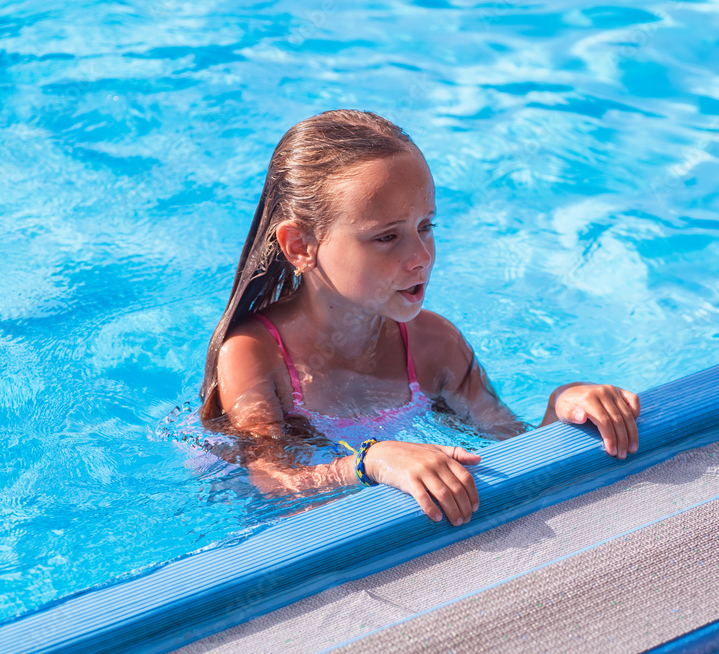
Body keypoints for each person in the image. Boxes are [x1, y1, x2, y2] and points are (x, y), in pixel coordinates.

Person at [199, 109, 640, 528]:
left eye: (426, 226)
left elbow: (514, 451)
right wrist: (371, 461)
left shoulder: (435, 344)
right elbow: (272, 484)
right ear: (300, 246)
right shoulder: (253, 353)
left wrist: (563, 410)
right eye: (387, 236)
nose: (421, 257)